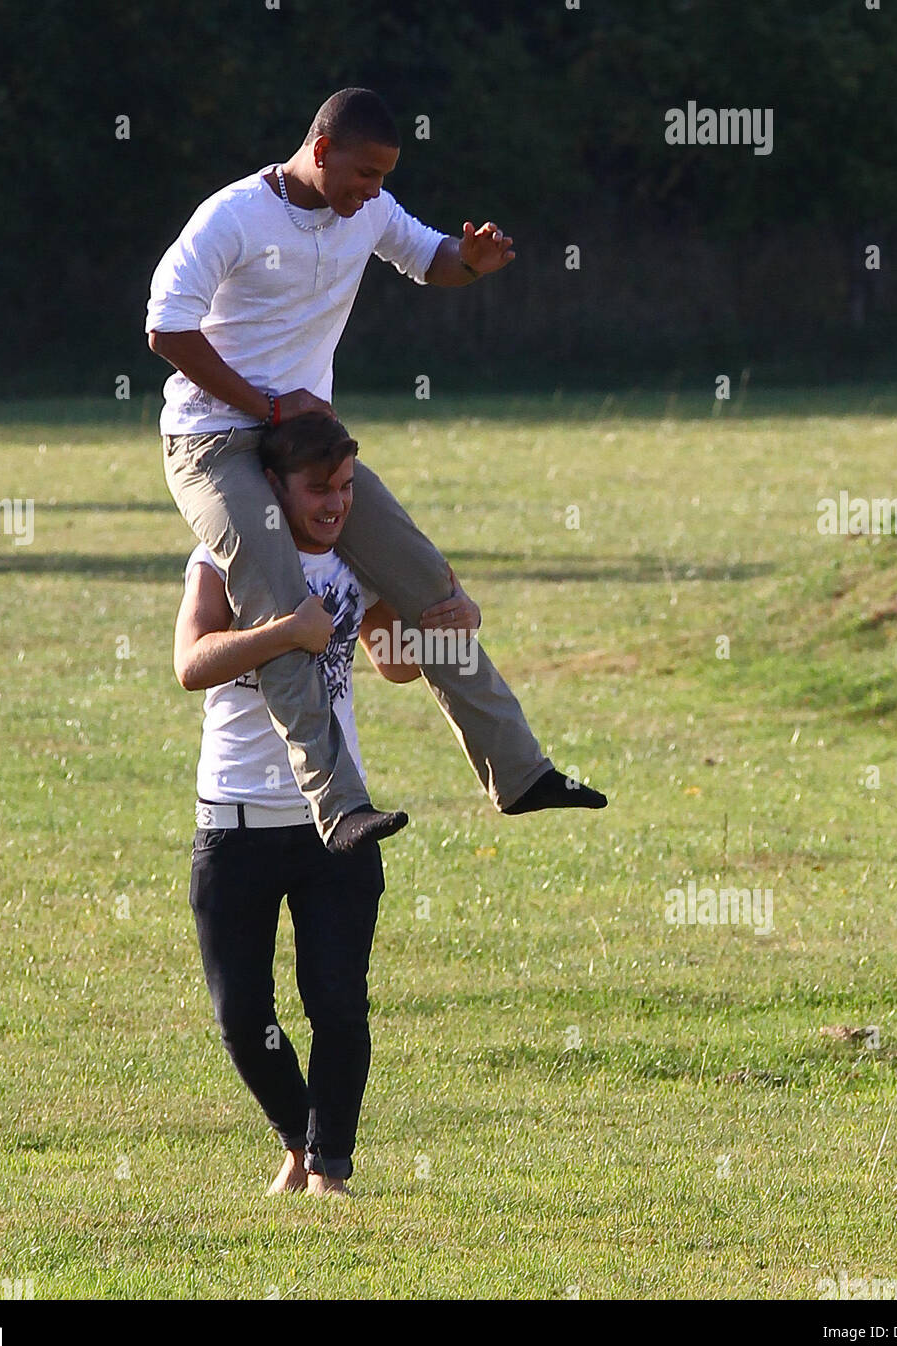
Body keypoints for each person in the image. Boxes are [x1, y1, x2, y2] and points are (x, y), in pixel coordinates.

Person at [149, 87, 606, 857]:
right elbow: (166, 327)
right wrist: (264, 405)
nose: (373, 192)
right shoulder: (234, 216)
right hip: (214, 438)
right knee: (280, 604)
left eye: (384, 178)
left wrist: (474, 262)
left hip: (308, 439)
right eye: (363, 174)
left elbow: (434, 260)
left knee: (427, 579)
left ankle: (520, 772)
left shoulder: (370, 213)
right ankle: (338, 807)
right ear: (320, 150)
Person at [174, 413, 475, 1195]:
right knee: (244, 1019)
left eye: (346, 488)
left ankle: (329, 1171)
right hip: (234, 822)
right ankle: (296, 1141)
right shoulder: (220, 559)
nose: (336, 504)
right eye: (318, 489)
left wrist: (450, 627)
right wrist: (284, 632)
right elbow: (192, 662)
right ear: (272, 487)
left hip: (335, 825)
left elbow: (394, 664)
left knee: (338, 1007)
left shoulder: (351, 562)